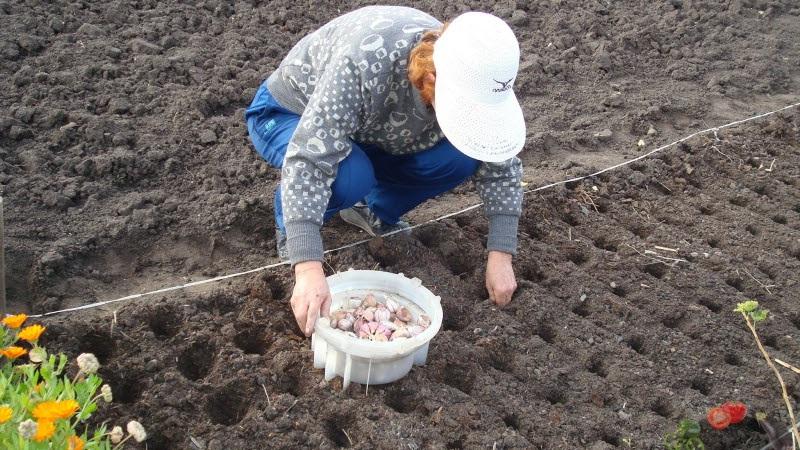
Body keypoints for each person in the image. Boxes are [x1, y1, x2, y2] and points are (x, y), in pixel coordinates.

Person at [245, 6, 526, 336]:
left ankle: (372, 209)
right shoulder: (365, 63)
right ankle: (287, 221)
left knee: (460, 157)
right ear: (433, 78)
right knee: (350, 175)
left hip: (370, 130)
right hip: (289, 113)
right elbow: (310, 159)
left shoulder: (480, 71)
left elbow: (501, 164)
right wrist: (307, 265)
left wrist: (501, 255)